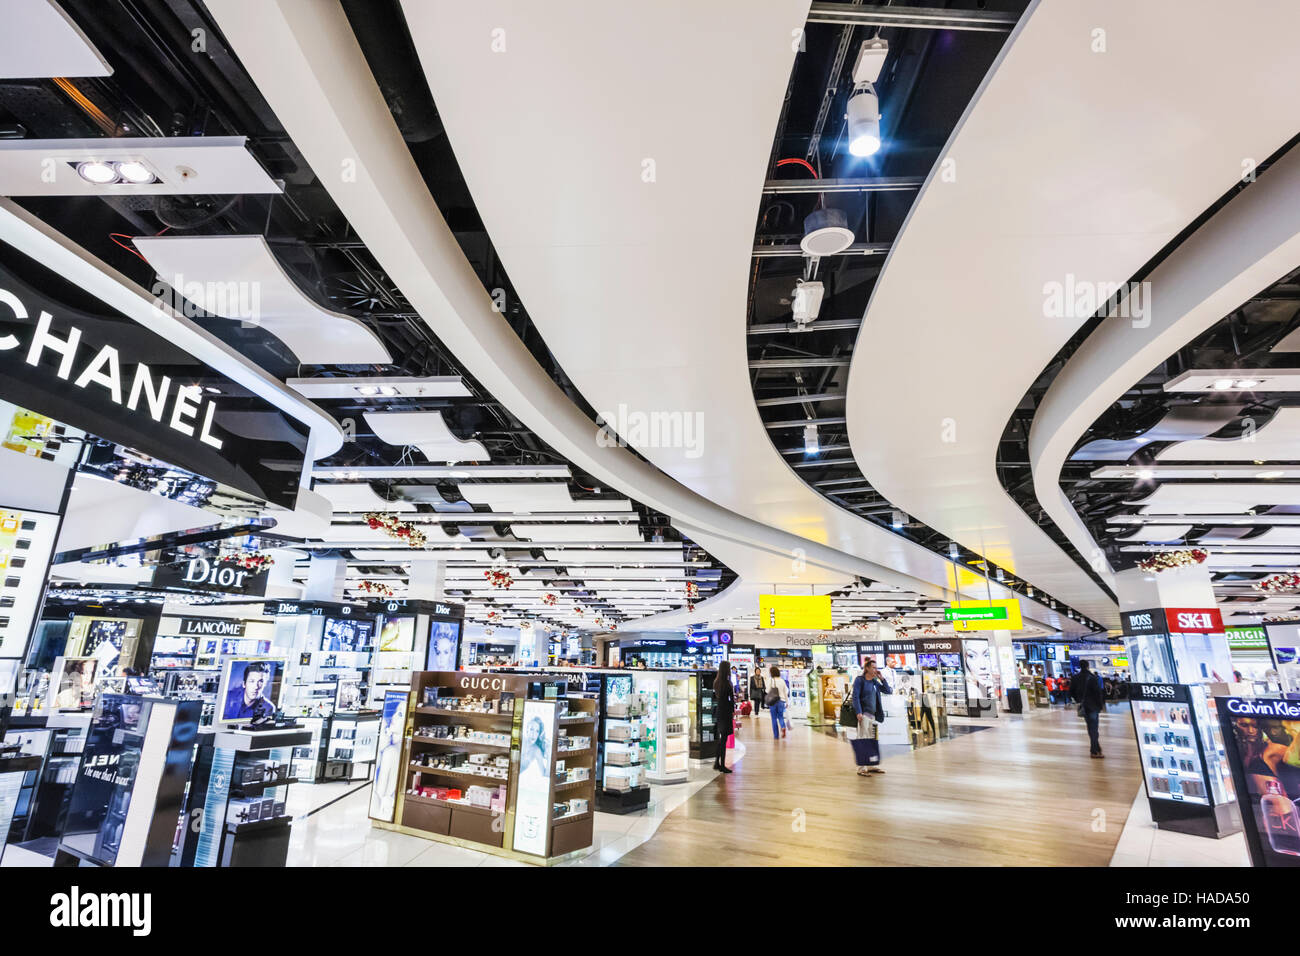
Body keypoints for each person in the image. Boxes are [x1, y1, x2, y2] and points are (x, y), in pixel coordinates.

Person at [850, 658, 892, 776]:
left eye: (876, 667)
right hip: (863, 715)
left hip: (873, 716)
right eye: (873, 667)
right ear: (867, 668)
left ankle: (871, 765)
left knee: (871, 741)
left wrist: (882, 679)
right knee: (863, 740)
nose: (875, 669)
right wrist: (858, 711)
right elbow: (855, 697)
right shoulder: (860, 680)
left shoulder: (874, 682)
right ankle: (861, 768)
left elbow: (888, 691)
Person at [1070, 659, 1106, 759]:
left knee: (1091, 728)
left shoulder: (1075, 678)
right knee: (1094, 728)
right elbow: (1098, 693)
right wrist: (1100, 705)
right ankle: (1094, 750)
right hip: (1093, 706)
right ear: (1088, 666)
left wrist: (1079, 700)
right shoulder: (1093, 678)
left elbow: (1071, 692)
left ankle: (1096, 748)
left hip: (1084, 706)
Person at [713, 661, 735, 773]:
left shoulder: (716, 682)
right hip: (726, 712)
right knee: (724, 739)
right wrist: (733, 710)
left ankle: (717, 762)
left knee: (721, 739)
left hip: (719, 711)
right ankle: (722, 765)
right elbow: (731, 699)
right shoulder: (727, 683)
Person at [766, 664, 789, 739]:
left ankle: (776, 736)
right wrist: (787, 702)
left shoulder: (770, 680)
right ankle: (783, 726)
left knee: (774, 718)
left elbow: (767, 690)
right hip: (781, 701)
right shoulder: (782, 681)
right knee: (781, 717)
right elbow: (786, 691)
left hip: (773, 701)